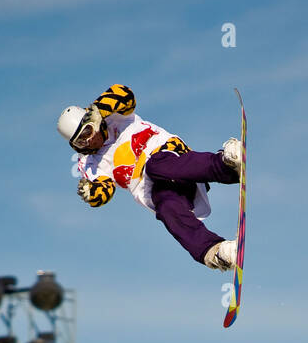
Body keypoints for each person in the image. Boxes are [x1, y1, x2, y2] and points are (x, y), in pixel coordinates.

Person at [57, 84, 241, 270]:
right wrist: (92, 193)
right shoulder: (90, 162)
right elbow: (104, 189)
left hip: (171, 156)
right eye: (81, 141)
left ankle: (226, 167)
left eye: (88, 132)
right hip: (157, 188)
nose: (89, 141)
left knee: (156, 165)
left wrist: (99, 109)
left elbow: (125, 94)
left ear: (93, 120)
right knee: (167, 207)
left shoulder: (116, 117)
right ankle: (214, 251)